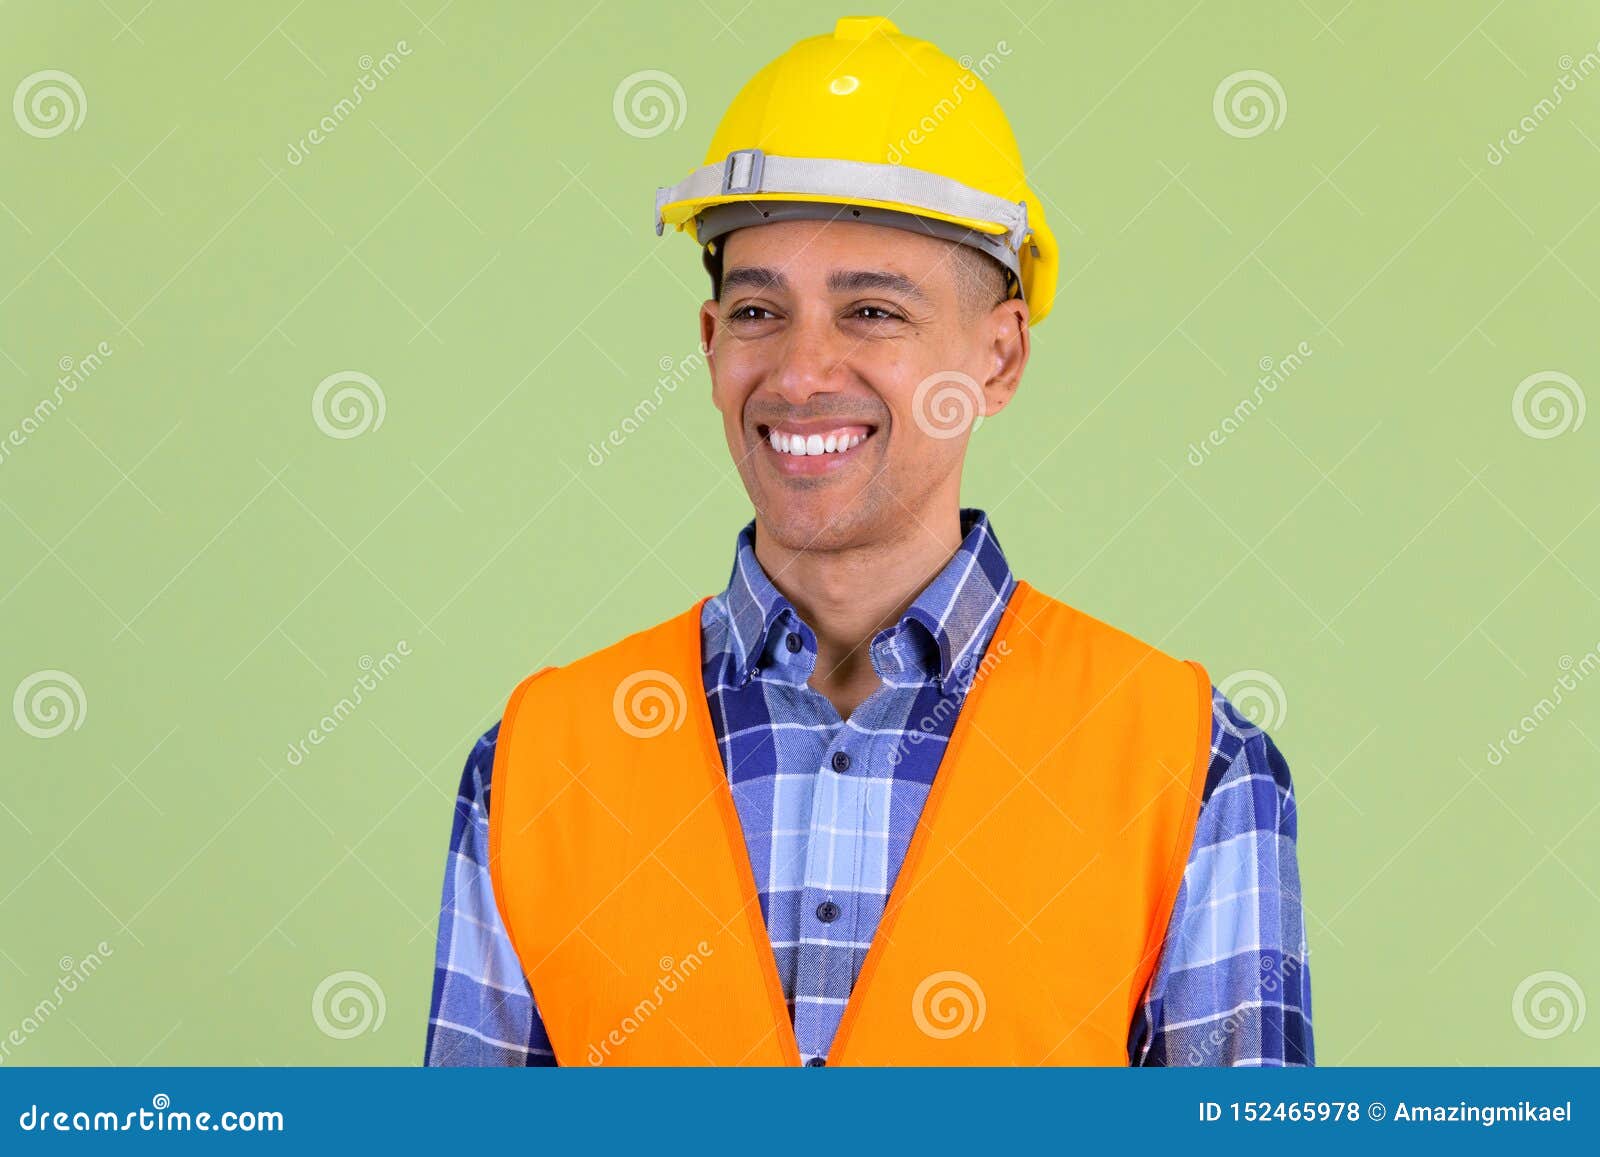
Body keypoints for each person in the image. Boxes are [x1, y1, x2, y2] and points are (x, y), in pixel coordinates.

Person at [425, 15, 1311, 1067]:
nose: (800, 372)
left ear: (998, 356)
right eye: (758, 309)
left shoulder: (1189, 761)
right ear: (710, 346)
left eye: (873, 312)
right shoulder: (535, 765)